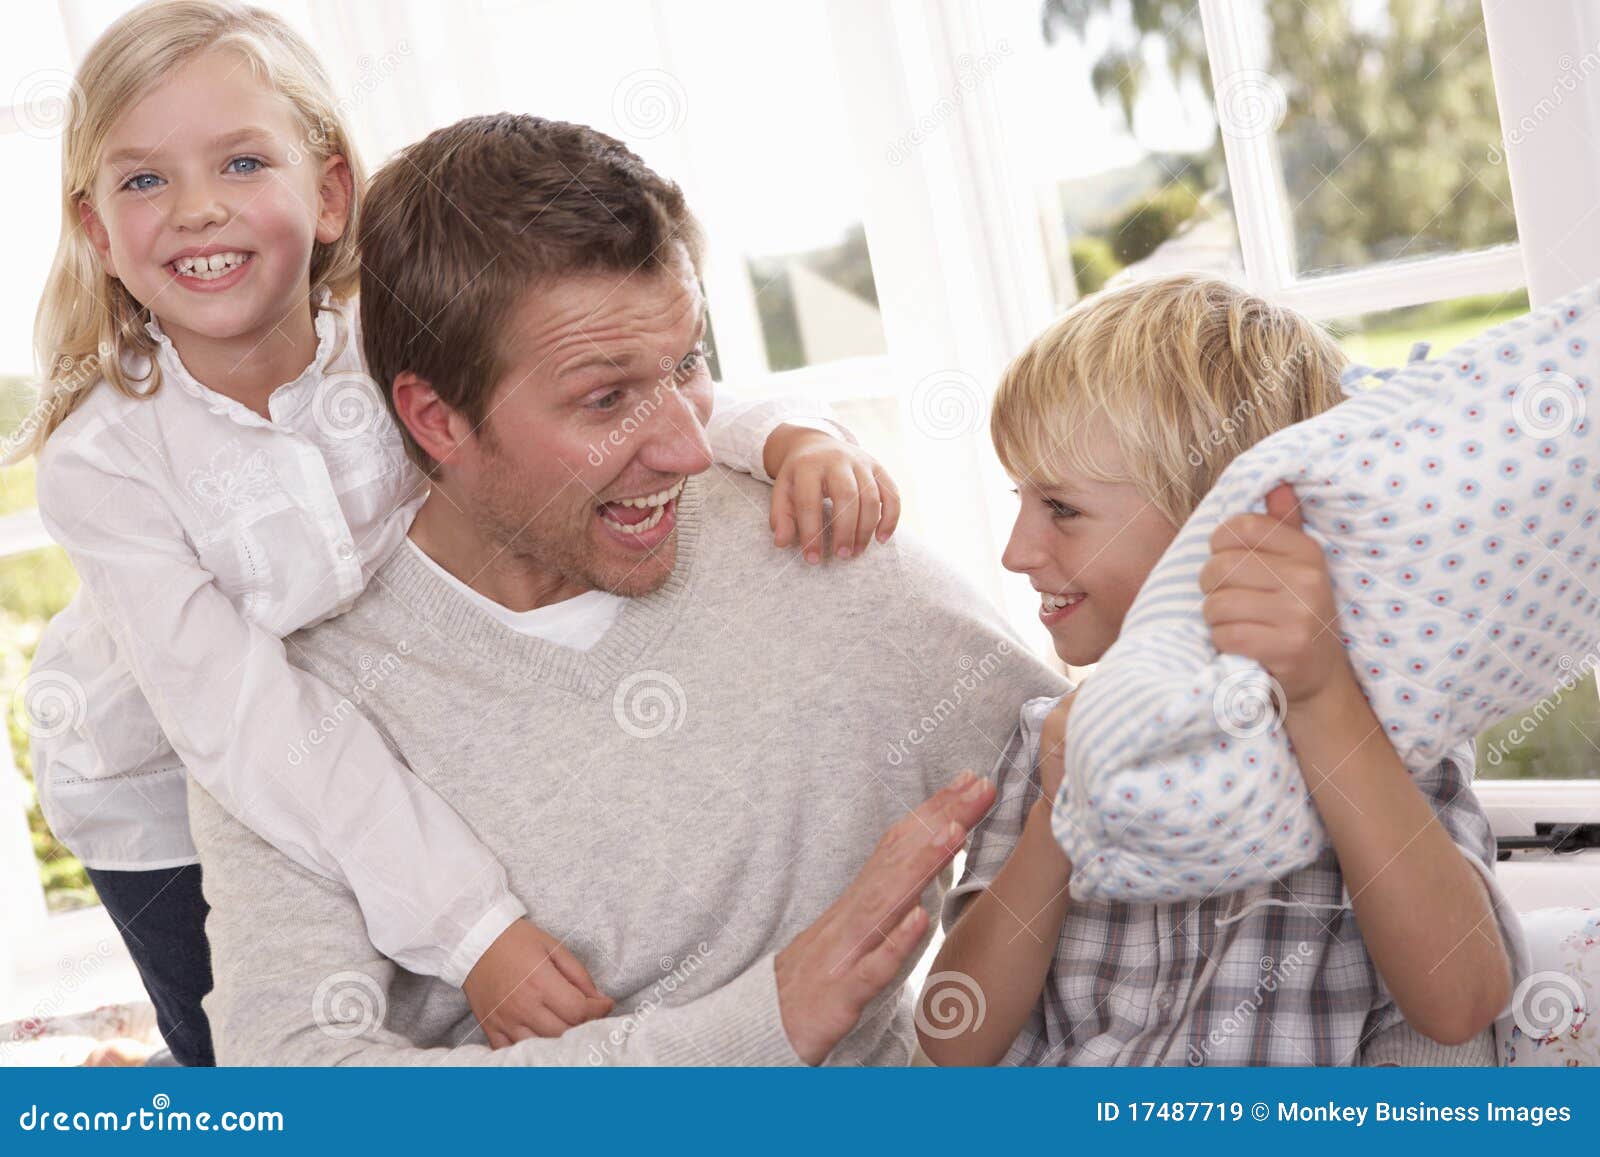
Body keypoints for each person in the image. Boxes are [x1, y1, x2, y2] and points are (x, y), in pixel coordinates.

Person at [24, 0, 899, 1066]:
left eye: (244, 162)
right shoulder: (100, 463)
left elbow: (595, 390)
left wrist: (790, 438)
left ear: (332, 190)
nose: (199, 209)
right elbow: (247, 727)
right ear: (95, 229)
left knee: (411, 986)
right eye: (145, 179)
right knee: (232, 1054)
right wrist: (474, 927)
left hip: (364, 698)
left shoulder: (387, 353)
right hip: (167, 782)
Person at [186, 110, 1066, 1064]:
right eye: (606, 399)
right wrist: (759, 1028)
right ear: (435, 419)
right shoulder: (293, 699)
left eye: (688, 362)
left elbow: (1100, 798)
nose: (688, 448)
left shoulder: (817, 547)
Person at [920, 274, 1527, 1066]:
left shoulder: (1382, 726)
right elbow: (949, 1040)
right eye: (1022, 502)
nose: (1017, 551)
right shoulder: (1046, 742)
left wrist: (1318, 700)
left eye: (1060, 509)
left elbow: (1462, 1005)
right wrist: (1059, 822)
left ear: (1219, 523)